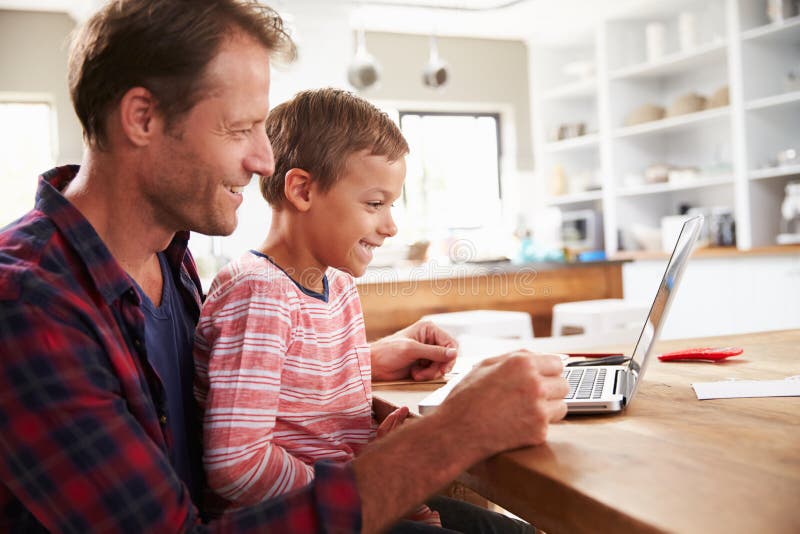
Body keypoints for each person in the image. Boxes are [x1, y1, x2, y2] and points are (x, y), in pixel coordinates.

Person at [0, 0, 569, 532]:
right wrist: (453, 434)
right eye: (240, 128)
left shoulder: (166, 260)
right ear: (142, 118)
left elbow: (222, 387)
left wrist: (365, 357)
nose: (264, 159)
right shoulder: (26, 306)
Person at [194, 88, 530, 532]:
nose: (390, 227)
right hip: (300, 518)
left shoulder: (336, 283)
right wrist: (371, 472)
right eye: (374, 204)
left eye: (391, 205)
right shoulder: (260, 293)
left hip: (350, 499)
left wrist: (376, 393)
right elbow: (236, 465)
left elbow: (298, 392)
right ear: (302, 190)